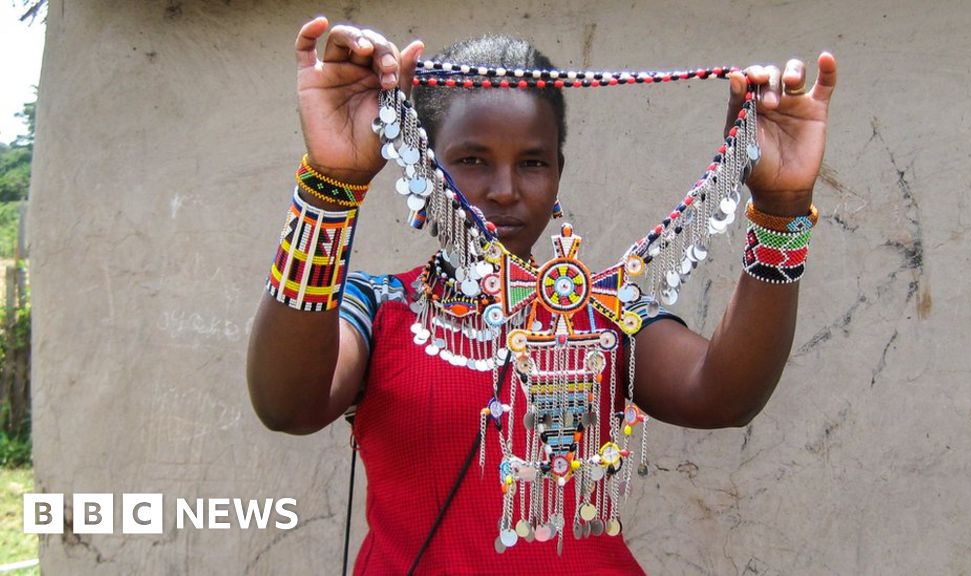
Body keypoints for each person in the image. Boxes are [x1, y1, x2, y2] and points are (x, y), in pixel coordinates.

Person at [247, 16, 837, 575]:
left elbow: (722, 396)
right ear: (423, 169)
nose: (504, 190)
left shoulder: (602, 317)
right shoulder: (379, 310)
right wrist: (332, 183)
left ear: (557, 174)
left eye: (532, 163)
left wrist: (782, 211)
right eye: (471, 160)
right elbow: (288, 405)